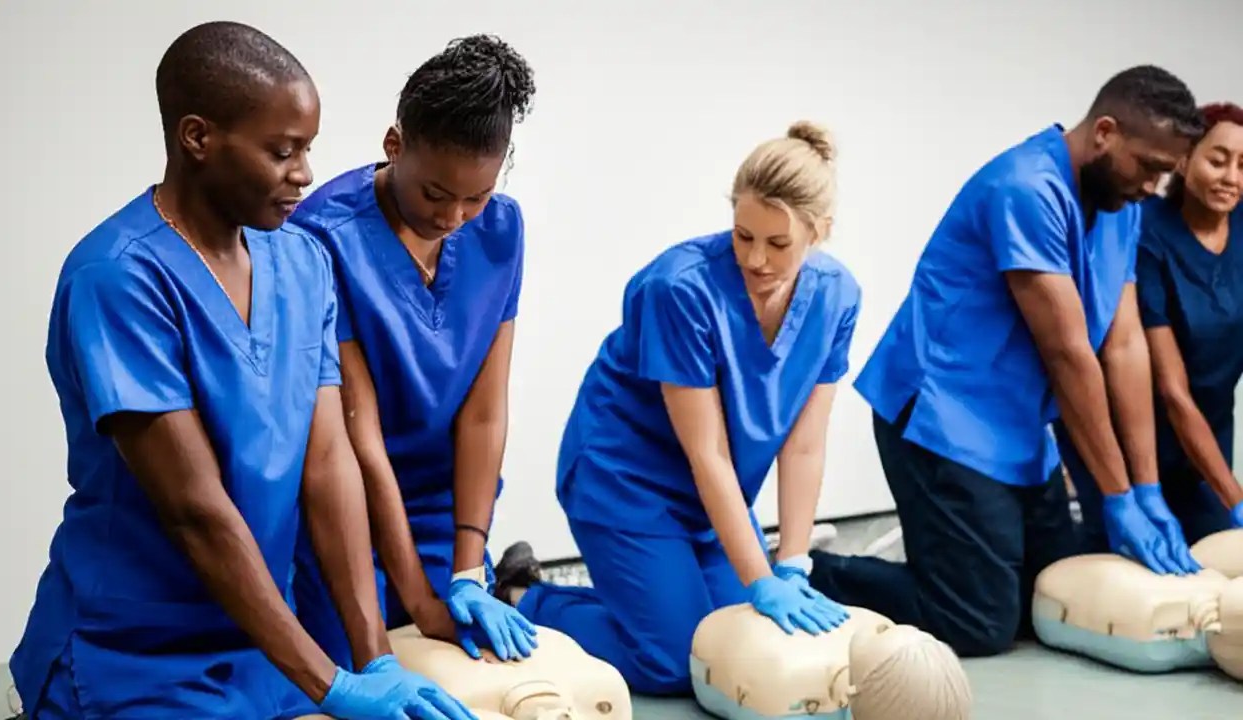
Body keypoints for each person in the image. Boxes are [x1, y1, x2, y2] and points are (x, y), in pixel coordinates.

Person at [10, 21, 475, 720]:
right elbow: (195, 510)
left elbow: (329, 463)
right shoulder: (119, 278)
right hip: (132, 655)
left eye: (308, 149)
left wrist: (373, 657)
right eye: (282, 151)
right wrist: (333, 688)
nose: (305, 173)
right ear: (197, 138)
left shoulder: (303, 262)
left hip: (265, 647)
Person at [803, 65, 1205, 658]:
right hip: (942, 418)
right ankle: (809, 571)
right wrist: (1116, 495)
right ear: (1105, 132)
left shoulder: (1122, 203)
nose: (1154, 186)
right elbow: (1068, 353)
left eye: (1165, 173)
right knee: (981, 622)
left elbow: (1123, 345)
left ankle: (951, 563)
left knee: (1048, 596)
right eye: (1149, 166)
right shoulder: (1025, 188)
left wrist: (1147, 489)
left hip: (1017, 427)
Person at [491, 121, 859, 695]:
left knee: (741, 642)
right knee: (677, 661)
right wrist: (759, 578)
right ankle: (522, 595)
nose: (756, 259)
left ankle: (640, 596)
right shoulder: (681, 288)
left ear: (821, 232)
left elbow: (805, 445)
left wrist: (790, 564)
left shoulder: (837, 296)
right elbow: (706, 450)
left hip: (710, 495)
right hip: (624, 476)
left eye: (778, 243)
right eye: (743, 235)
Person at [289, 34, 539, 671]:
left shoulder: (502, 230)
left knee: (474, 651)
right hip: (339, 501)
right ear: (394, 144)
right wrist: (421, 603)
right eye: (434, 193)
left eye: (476, 197)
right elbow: (358, 436)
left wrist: (466, 572)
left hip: (438, 504)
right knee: (350, 664)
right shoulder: (322, 237)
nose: (454, 216)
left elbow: (485, 412)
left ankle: (509, 581)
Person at [1062, 101, 1243, 552]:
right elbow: (1171, 389)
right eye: (1218, 160)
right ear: (1183, 160)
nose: (1231, 177)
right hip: (1132, 432)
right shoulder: (1146, 231)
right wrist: (1237, 498)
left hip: (1208, 433)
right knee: (1127, 565)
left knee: (1215, 556)